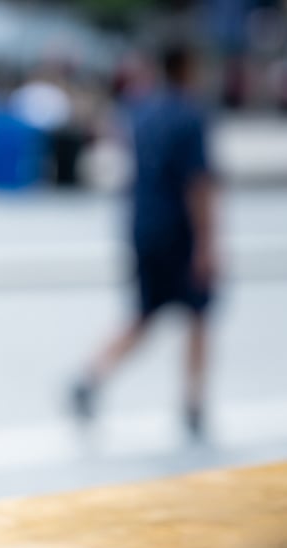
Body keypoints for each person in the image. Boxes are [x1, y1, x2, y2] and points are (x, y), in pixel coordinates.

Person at [70, 43, 219, 441]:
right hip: (180, 230)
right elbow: (199, 184)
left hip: (143, 224)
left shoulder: (140, 111)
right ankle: (194, 404)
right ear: (188, 67)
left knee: (143, 312)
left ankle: (91, 377)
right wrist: (208, 244)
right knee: (198, 317)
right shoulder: (191, 116)